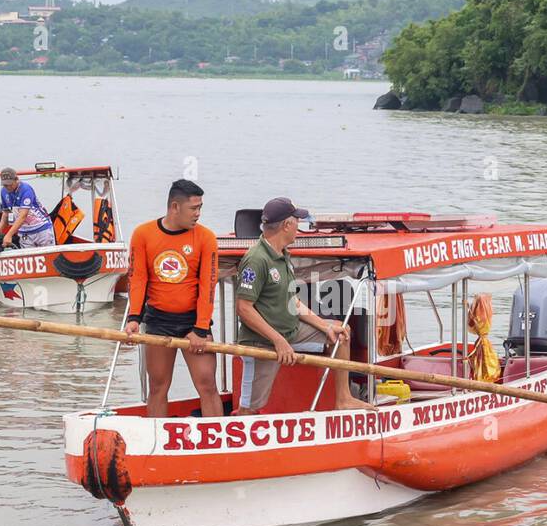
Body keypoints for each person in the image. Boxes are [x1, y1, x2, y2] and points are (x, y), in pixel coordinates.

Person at [234, 197, 373, 415]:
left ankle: (344, 399)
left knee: (340, 333)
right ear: (286, 225)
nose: (299, 226)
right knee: (250, 408)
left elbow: (292, 302)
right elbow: (244, 308)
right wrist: (278, 341)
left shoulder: (283, 255)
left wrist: (325, 327)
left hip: (291, 331)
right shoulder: (256, 259)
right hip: (262, 342)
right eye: (296, 221)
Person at [125, 179, 222, 418]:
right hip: (158, 321)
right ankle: (157, 441)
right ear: (175, 207)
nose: (198, 214)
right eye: (193, 208)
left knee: (207, 384)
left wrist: (200, 329)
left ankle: (217, 442)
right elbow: (137, 279)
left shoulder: (206, 237)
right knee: (158, 386)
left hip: (193, 321)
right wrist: (134, 318)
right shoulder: (143, 234)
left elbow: (208, 286)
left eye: (200, 207)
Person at [0, 167, 56, 248]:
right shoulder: (3, 191)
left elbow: (23, 216)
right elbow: (6, 212)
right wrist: (0, 228)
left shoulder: (26, 189)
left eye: (10, 184)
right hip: (24, 231)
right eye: (5, 185)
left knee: (49, 255)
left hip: (41, 228)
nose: (8, 187)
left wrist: (9, 235)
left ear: (16, 179)